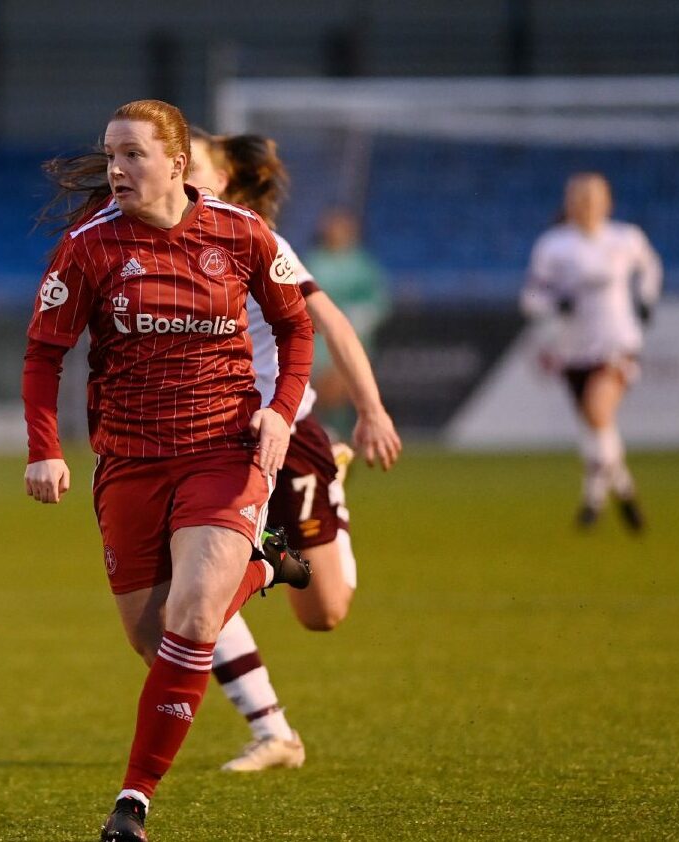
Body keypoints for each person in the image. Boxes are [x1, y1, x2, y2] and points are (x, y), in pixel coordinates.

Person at [22, 99, 315, 842]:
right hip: (128, 462)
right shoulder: (88, 247)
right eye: (110, 155)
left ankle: (133, 804)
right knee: (157, 643)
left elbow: (296, 326)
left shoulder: (241, 232)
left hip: (223, 451)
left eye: (133, 155)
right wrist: (44, 447)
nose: (116, 169)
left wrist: (280, 412)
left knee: (192, 618)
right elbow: (44, 354)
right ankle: (262, 566)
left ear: (178, 164)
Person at [187, 129, 402, 771]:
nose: (179, 176)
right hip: (205, 445)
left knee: (323, 612)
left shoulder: (256, 240)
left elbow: (329, 322)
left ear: (223, 180)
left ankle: (309, 509)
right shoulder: (137, 248)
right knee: (192, 590)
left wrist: (370, 409)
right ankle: (274, 731)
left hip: (288, 434)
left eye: (191, 165)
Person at [521, 172, 662, 531]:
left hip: (617, 343)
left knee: (598, 411)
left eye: (593, 199)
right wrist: (555, 304)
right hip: (573, 350)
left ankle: (602, 501)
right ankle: (615, 492)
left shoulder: (625, 238)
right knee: (595, 427)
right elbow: (531, 297)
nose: (586, 206)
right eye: (579, 199)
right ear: (568, 204)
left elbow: (650, 267)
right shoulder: (553, 246)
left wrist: (646, 300)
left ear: (607, 203)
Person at [302, 207, 391, 437]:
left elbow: (378, 303)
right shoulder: (314, 261)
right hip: (317, 339)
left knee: (341, 388)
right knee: (318, 390)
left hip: (351, 337)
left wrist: (355, 322)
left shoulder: (362, 265)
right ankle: (323, 434)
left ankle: (341, 434)